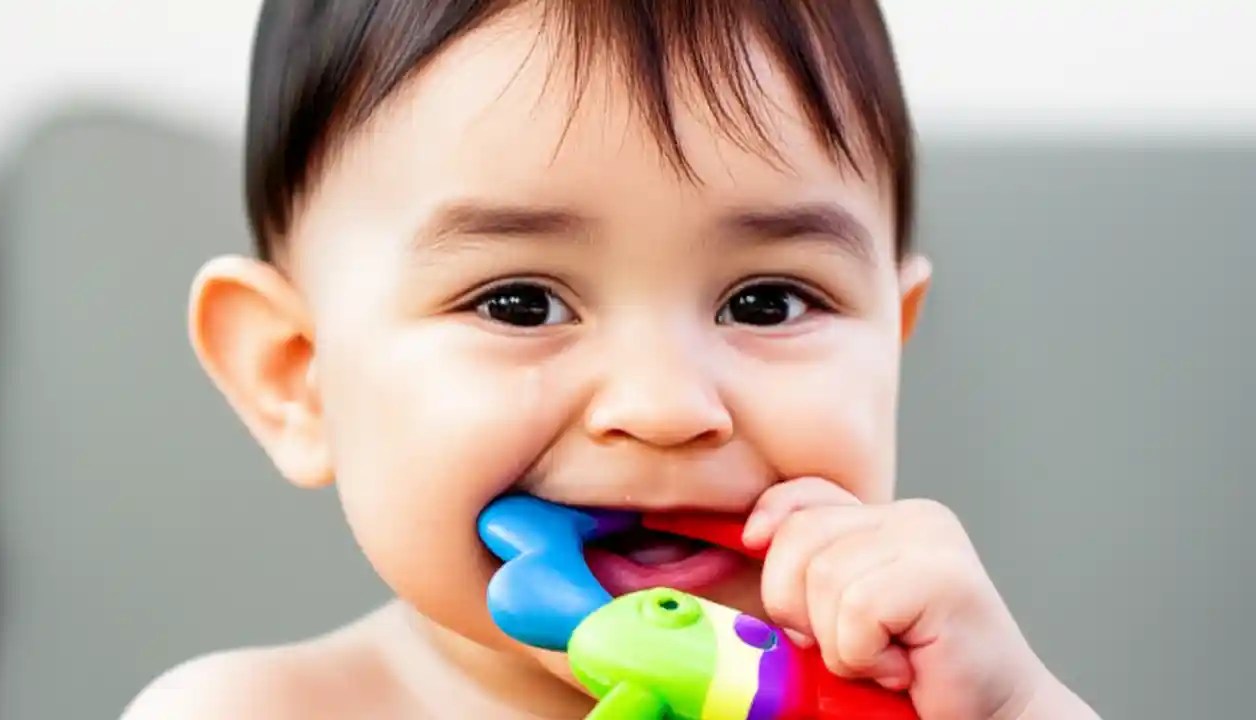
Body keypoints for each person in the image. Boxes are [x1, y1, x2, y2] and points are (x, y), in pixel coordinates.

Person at [123, 1, 1100, 718]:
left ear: (890, 339)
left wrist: (1013, 710)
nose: (667, 407)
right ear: (297, 376)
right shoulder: (245, 712)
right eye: (520, 303)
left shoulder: (914, 700)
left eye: (765, 302)